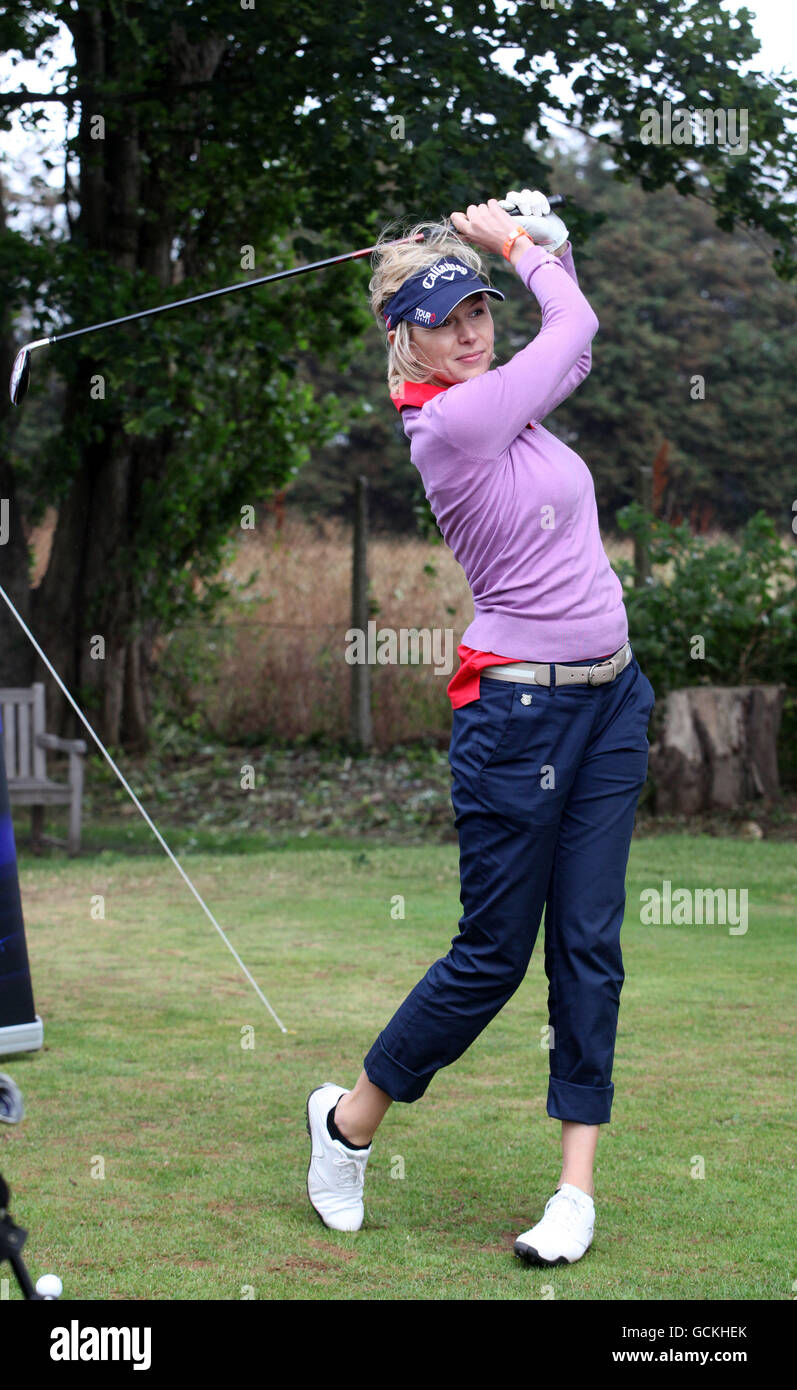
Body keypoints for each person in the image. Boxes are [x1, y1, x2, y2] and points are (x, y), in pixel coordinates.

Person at [306, 190, 656, 1266]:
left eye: (481, 308)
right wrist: (516, 243)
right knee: (493, 955)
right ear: (406, 334)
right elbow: (579, 330)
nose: (472, 329)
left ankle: (572, 1193)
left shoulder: (511, 406)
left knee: (587, 950)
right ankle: (344, 1123)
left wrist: (536, 244)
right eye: (449, 315)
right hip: (520, 714)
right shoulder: (454, 424)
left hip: (610, 700)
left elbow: (569, 343)